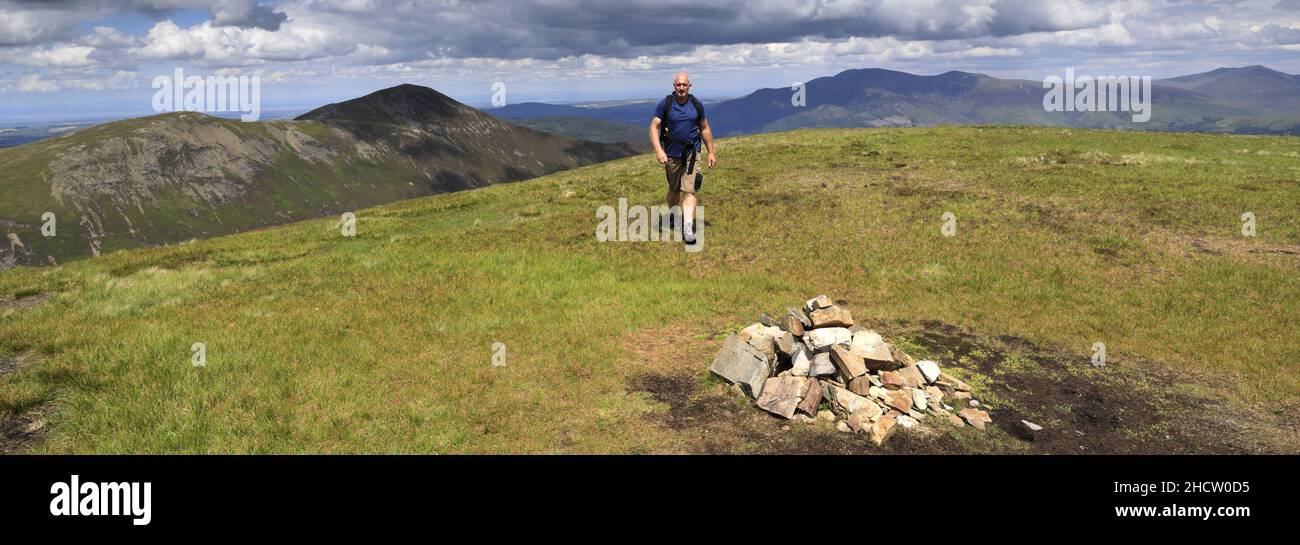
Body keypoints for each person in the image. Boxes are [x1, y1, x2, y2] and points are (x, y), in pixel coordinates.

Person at [649, 71, 716, 244]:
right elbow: (654, 127)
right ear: (674, 86)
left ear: (689, 86)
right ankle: (673, 213)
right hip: (671, 154)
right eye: (678, 84)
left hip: (692, 153)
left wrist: (711, 152)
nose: (681, 87)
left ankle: (687, 229)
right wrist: (659, 150)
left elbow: (705, 128)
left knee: (690, 190)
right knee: (674, 190)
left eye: (684, 84)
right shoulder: (666, 104)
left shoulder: (696, 104)